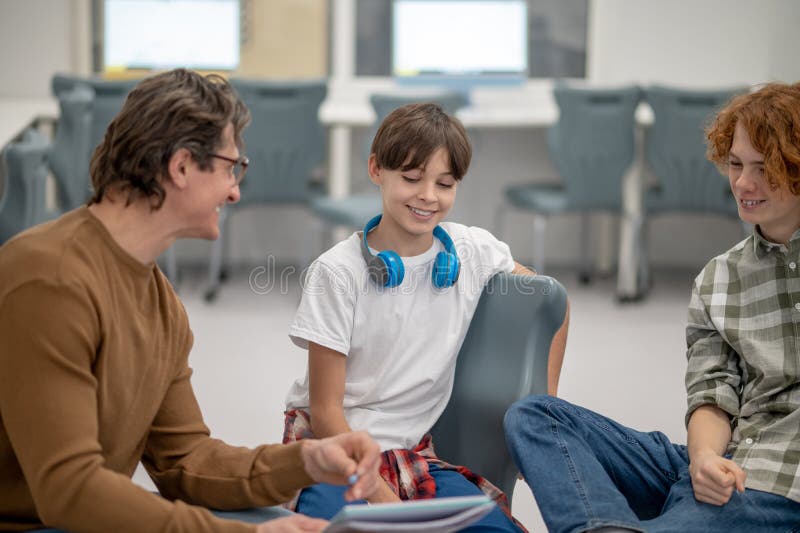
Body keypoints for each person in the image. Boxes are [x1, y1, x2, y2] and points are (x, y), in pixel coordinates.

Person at [0, 69, 381, 533]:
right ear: (181, 166)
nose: (236, 190)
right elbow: (71, 491)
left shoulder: (160, 303)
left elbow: (185, 461)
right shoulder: (50, 279)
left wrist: (307, 459)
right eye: (230, 168)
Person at [503, 81, 800, 532]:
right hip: (711, 468)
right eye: (736, 164)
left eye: (763, 168)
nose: (742, 182)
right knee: (534, 415)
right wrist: (702, 459)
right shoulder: (719, 278)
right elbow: (712, 392)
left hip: (773, 490)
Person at [281, 102, 569, 532]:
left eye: (445, 183)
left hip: (412, 455)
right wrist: (386, 501)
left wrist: (540, 416)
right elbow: (325, 413)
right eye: (412, 179)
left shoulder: (470, 250)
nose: (428, 196)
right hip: (335, 450)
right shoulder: (336, 273)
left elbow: (551, 303)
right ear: (377, 169)